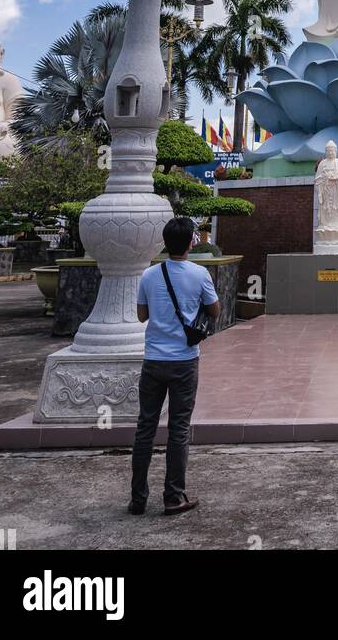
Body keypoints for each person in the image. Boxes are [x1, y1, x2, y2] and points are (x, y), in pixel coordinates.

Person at [129, 216, 219, 516]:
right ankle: (173, 497)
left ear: (164, 242)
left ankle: (138, 499)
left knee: (145, 428)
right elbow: (215, 309)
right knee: (178, 429)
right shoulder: (199, 274)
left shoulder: (149, 275)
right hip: (184, 360)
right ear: (191, 242)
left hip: (153, 360)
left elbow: (142, 316)